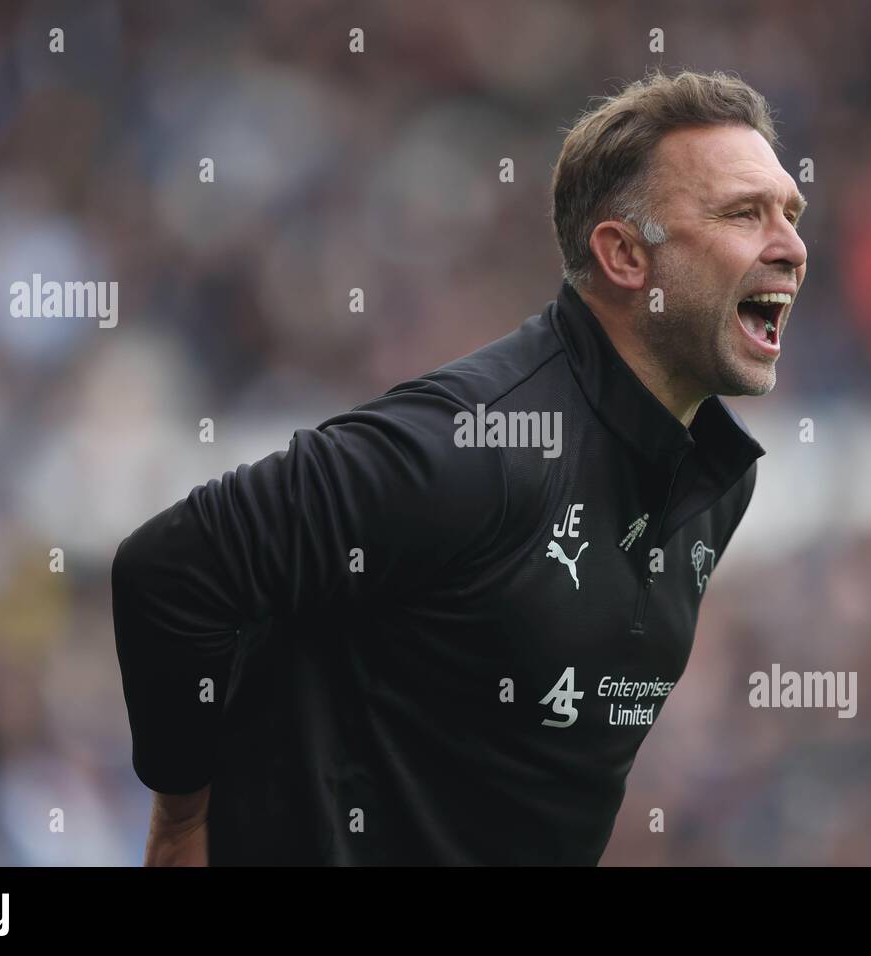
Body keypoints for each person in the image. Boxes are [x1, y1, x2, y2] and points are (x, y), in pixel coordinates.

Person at [111, 68, 807, 865]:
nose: (790, 247)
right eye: (742, 214)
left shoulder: (717, 480)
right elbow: (169, 568)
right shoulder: (474, 446)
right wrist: (183, 823)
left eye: (790, 214)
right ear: (623, 256)